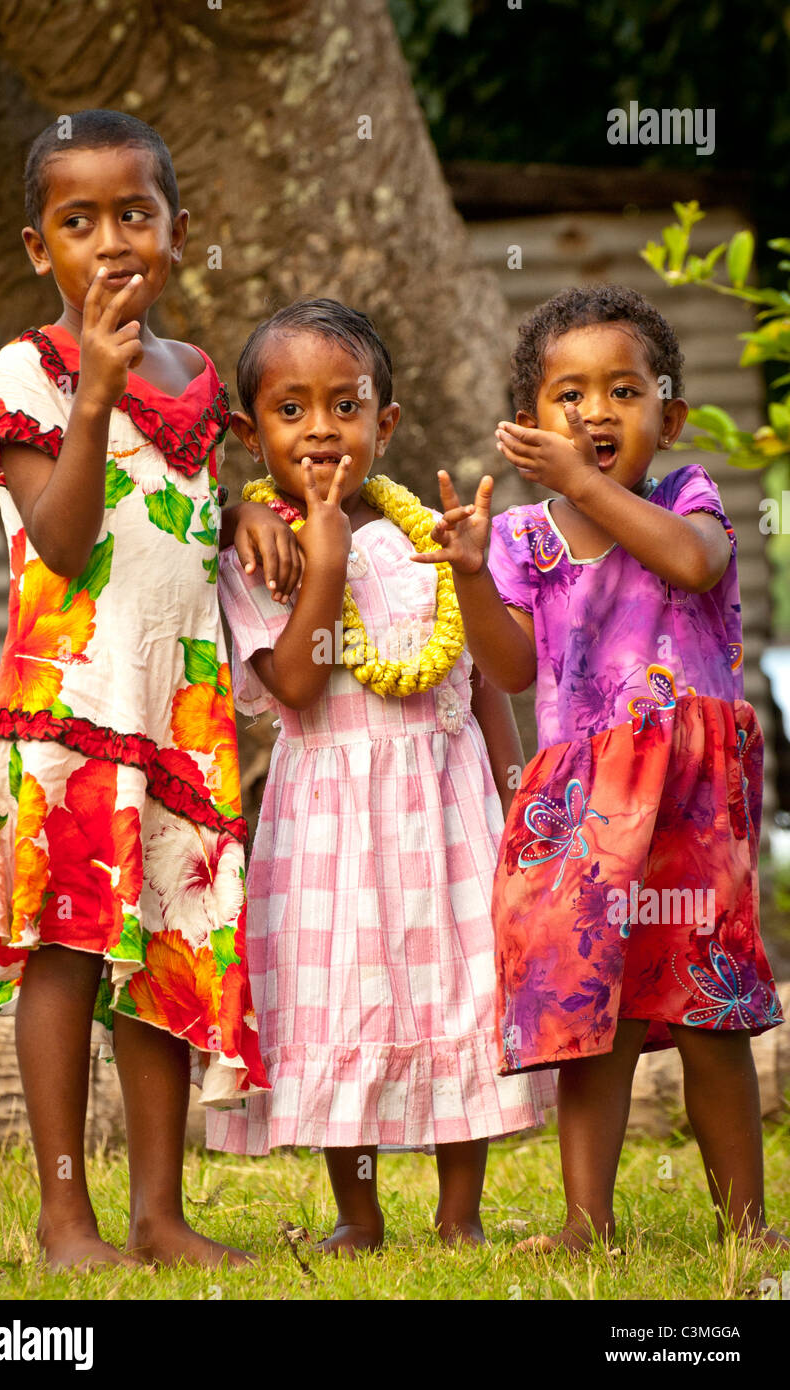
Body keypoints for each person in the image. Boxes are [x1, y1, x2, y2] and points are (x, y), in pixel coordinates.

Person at [0, 109, 302, 1271]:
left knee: (168, 950)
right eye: (78, 220)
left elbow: (191, 504)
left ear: (175, 231)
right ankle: (67, 1221)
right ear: (35, 244)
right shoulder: (29, 368)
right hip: (72, 704)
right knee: (63, 951)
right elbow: (57, 542)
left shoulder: (198, 376)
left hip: (176, 713)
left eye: (134, 214)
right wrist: (93, 392)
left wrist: (247, 505)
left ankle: (160, 1214)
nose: (110, 241)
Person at [415, 284, 787, 1251]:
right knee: (596, 1013)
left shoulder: (687, 496)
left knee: (710, 1009)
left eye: (624, 391)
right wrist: (464, 575)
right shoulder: (521, 538)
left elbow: (696, 565)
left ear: (670, 415)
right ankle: (587, 1227)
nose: (594, 411)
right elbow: (509, 669)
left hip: (693, 801)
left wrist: (585, 485)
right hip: (582, 803)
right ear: (527, 423)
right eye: (567, 395)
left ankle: (746, 1227)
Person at [208, 297, 555, 1254]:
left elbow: (478, 680)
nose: (321, 429)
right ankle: (357, 1216)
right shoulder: (256, 551)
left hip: (447, 811)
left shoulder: (430, 540)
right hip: (329, 821)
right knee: (340, 1000)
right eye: (290, 410)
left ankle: (459, 1214)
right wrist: (320, 560)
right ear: (248, 432)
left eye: (346, 406)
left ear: (385, 423)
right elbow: (297, 681)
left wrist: (515, 785)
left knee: (462, 991)